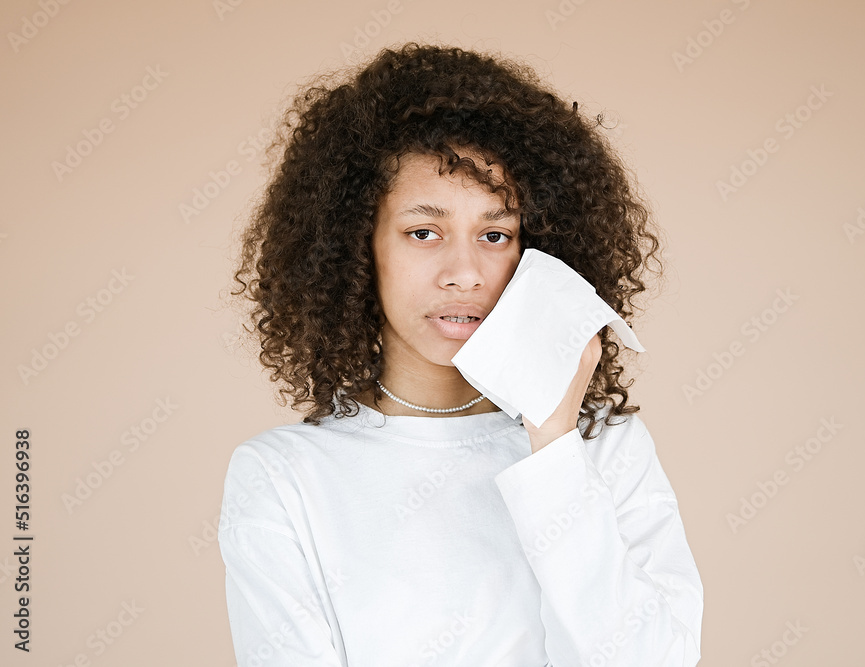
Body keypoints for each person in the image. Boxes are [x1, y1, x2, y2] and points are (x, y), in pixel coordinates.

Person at [221, 42, 703, 666]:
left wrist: (554, 441)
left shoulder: (604, 447)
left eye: (495, 234)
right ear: (354, 246)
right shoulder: (284, 477)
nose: (464, 273)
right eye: (424, 232)